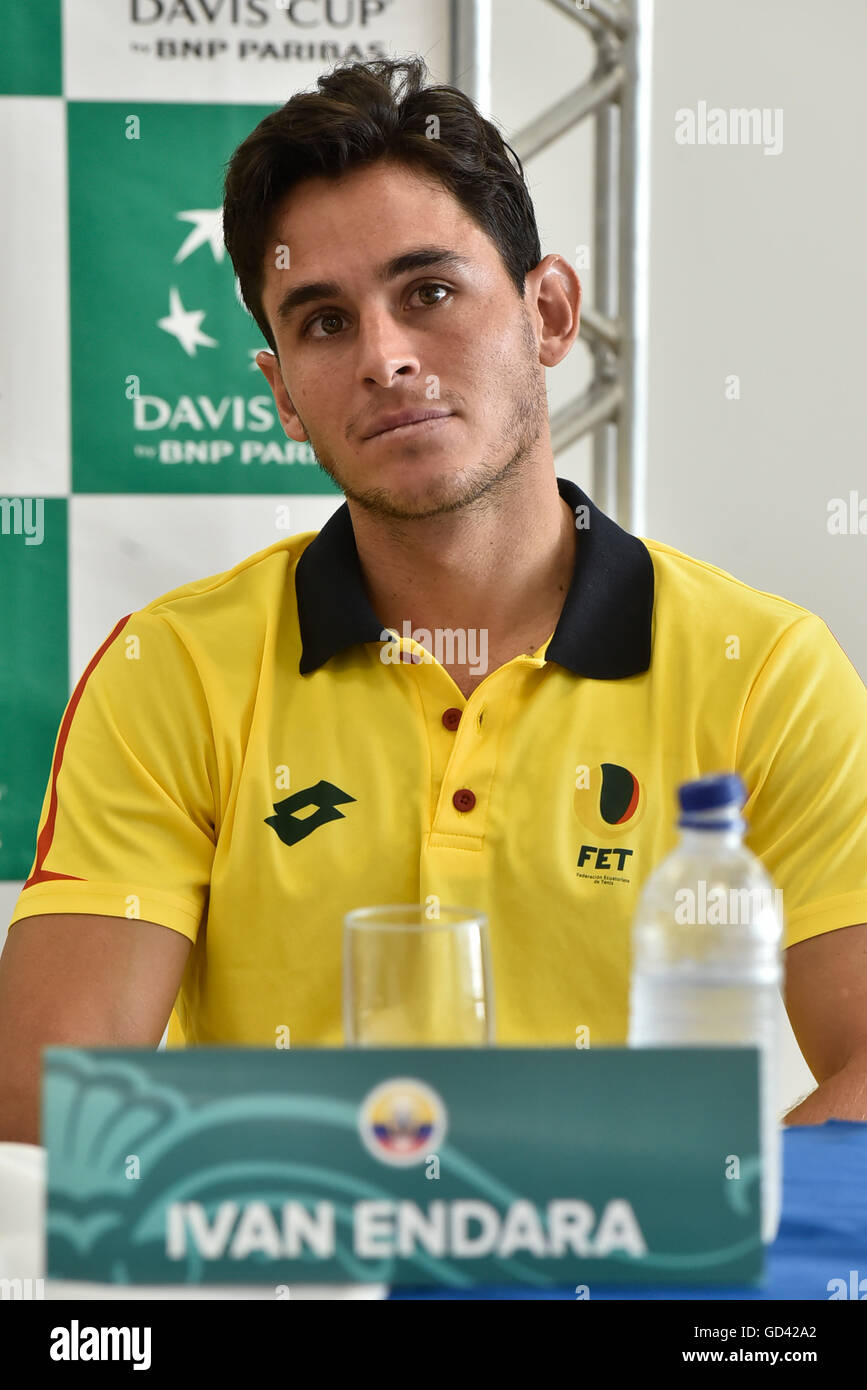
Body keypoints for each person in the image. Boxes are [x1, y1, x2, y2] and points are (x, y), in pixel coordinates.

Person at [1, 57, 866, 1145]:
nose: (387, 358)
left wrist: (643, 1237)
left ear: (549, 313)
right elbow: (44, 1097)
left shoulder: (766, 669)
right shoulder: (172, 668)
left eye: (431, 291)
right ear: (281, 397)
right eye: (323, 322)